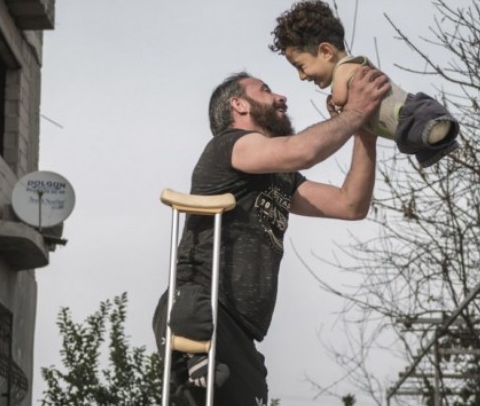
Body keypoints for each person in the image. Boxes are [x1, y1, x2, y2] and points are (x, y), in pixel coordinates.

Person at [152, 66, 390, 405]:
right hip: (204, 309)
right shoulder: (230, 146)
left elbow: (351, 204)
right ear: (239, 105)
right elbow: (303, 150)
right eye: (265, 90)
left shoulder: (281, 175)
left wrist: (364, 132)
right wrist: (355, 111)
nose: (281, 97)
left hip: (240, 331)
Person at [269, 0, 460, 168]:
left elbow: (340, 98)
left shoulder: (345, 69)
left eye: (301, 66)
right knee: (421, 138)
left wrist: (336, 107)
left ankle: (437, 130)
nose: (301, 76)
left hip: (407, 114)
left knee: (419, 126)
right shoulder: (356, 67)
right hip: (404, 125)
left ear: (326, 51)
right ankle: (441, 139)